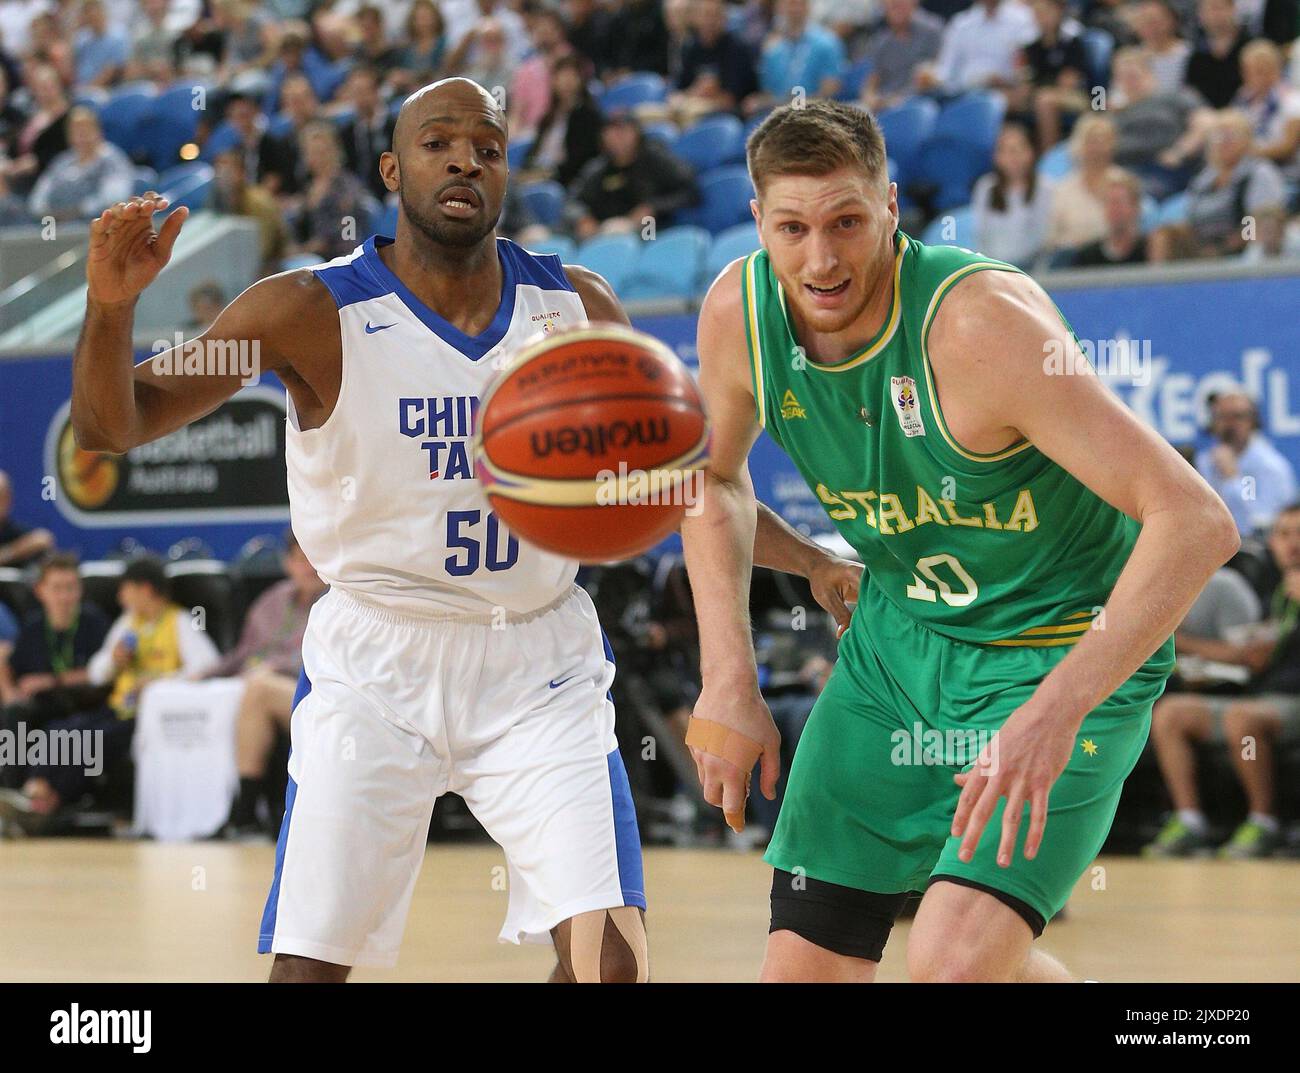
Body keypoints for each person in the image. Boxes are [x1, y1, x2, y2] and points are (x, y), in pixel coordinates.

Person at [72, 77, 658, 984]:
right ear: (392, 168)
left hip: (539, 660)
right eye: (439, 143)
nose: (467, 157)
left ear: (507, 173)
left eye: (489, 147)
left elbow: (686, 471)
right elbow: (118, 423)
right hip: (378, 663)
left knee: (612, 962)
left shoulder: (577, 308)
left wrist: (810, 560)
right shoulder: (307, 312)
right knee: (310, 970)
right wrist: (112, 309)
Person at [681, 99, 1239, 983]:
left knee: (950, 967)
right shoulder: (736, 317)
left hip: (1053, 655)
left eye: (847, 222)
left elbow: (1197, 519)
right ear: (757, 222)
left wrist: (1056, 712)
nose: (820, 258)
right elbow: (712, 479)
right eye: (792, 227)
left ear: (892, 206)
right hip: (897, 653)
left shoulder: (979, 325)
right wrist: (730, 674)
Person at [1144, 502, 1300, 858]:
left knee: (1242, 717)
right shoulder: (1275, 589)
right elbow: (1257, 655)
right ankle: (1190, 822)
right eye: (1284, 534)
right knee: (1172, 713)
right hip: (1261, 695)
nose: (1292, 544)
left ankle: (1264, 823)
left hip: (1289, 700)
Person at [213, 530, 326, 838]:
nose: (308, 567)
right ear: (287, 563)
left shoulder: (337, 603)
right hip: (264, 690)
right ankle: (233, 811)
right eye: (300, 559)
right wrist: (200, 675)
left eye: (313, 557)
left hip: (320, 697)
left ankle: (245, 811)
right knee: (247, 690)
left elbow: (324, 661)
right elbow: (243, 653)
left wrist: (272, 668)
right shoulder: (271, 600)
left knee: (259, 689)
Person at [0, 552, 111, 831]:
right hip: (43, 706)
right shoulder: (34, 627)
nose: (64, 596)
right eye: (57, 588)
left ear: (80, 590)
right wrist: (10, 691)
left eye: (70, 588)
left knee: (67, 726)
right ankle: (13, 799)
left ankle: (43, 797)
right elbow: (7, 662)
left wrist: (52, 680)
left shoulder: (95, 623)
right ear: (41, 591)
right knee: (15, 714)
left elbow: (105, 671)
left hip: (85, 703)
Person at [1149, 108, 1287, 261]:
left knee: (1264, 221)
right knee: (1165, 234)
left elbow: (1259, 218)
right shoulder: (1203, 180)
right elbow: (1191, 217)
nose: (1224, 142)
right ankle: (1163, 281)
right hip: (1203, 244)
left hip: (1241, 247)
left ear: (1247, 140)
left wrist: (1228, 246)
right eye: (1218, 136)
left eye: (1231, 135)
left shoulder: (1258, 173)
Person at [567, 111, 699, 239]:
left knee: (622, 232)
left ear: (636, 132)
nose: (616, 138)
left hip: (653, 226)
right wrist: (582, 217)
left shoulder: (655, 159)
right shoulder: (599, 167)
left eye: (622, 131)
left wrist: (653, 207)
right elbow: (573, 200)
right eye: (610, 132)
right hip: (605, 228)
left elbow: (690, 191)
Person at [1194, 389, 1298, 536]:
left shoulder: (1271, 468)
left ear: (1253, 422)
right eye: (1221, 417)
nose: (1229, 424)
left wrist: (1233, 478)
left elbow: (1260, 524)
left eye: (1237, 417)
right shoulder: (1205, 462)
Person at [27, 106, 134, 222]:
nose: (82, 136)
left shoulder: (112, 158)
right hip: (59, 225)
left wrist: (80, 210)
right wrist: (49, 213)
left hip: (98, 224)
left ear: (98, 131)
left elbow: (115, 197)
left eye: (86, 130)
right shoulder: (62, 162)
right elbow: (37, 200)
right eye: (76, 132)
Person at [970, 121, 1053, 267]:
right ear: (997, 157)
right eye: (1006, 151)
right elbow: (981, 233)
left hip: (1032, 266)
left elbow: (1042, 236)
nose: (1013, 157)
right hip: (993, 266)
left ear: (1031, 153)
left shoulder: (1044, 187)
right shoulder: (985, 187)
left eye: (1019, 149)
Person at [853, 0, 943, 114]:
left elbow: (936, 74)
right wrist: (870, 98)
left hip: (917, 102)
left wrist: (899, 99)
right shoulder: (882, 41)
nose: (895, 7)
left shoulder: (932, 30)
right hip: (884, 102)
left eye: (900, 4)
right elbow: (871, 81)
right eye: (891, 5)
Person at [1068, 168, 1151, 265]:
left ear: (1136, 207)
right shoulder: (1086, 256)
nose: (1114, 209)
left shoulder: (1150, 251)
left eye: (1119, 202)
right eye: (1109, 202)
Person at [0, 470, 54, 569]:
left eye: (1, 497)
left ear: (9, 499)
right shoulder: (21, 544)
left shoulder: (14, 531)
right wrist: (14, 551)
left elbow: (43, 539)